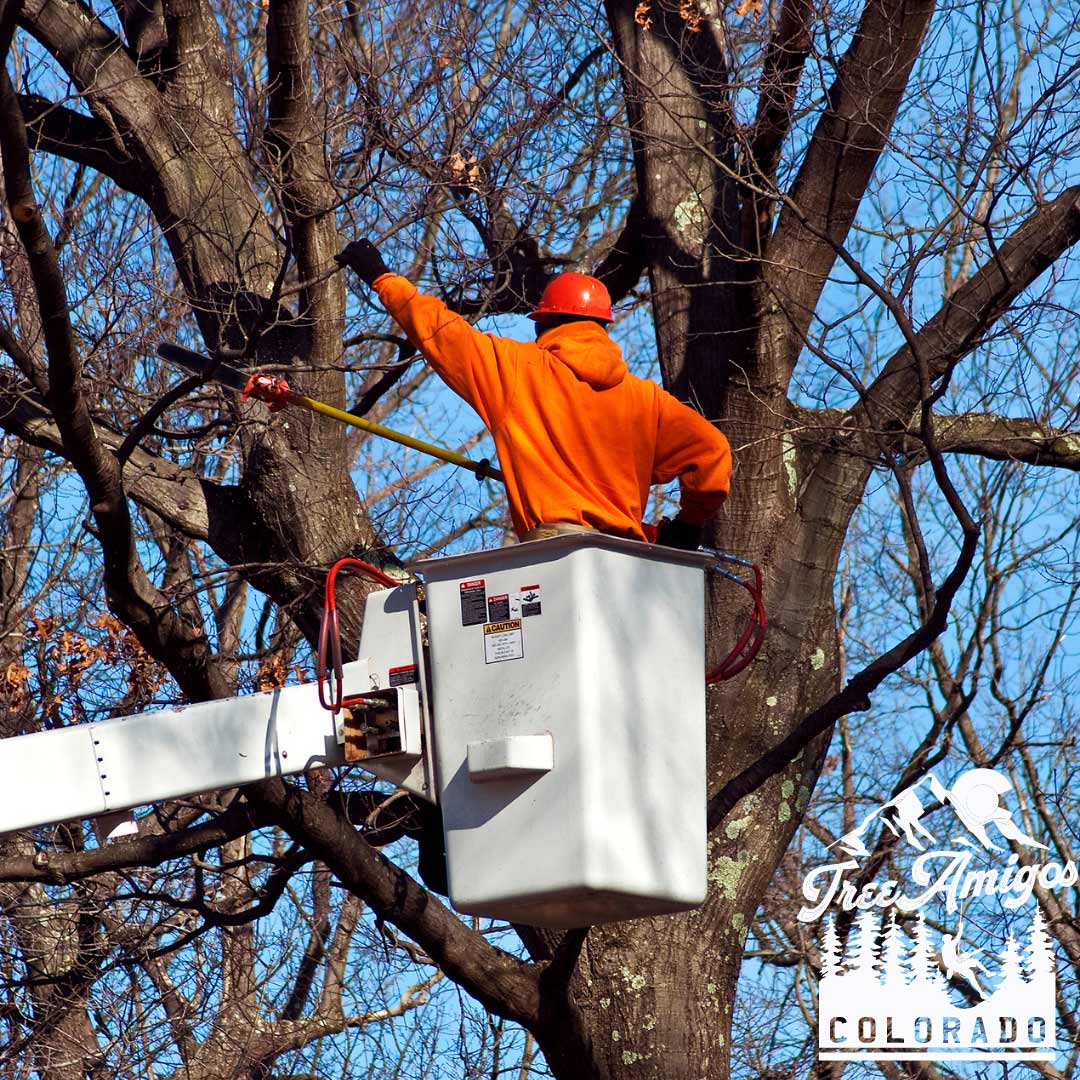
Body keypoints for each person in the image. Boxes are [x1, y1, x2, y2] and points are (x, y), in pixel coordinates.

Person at [335, 239, 732, 549]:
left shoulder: (518, 370)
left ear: (547, 323)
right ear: (601, 327)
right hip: (628, 563)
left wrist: (382, 278)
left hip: (557, 552)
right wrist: (688, 523)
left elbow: (442, 333)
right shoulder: (646, 401)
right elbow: (713, 451)